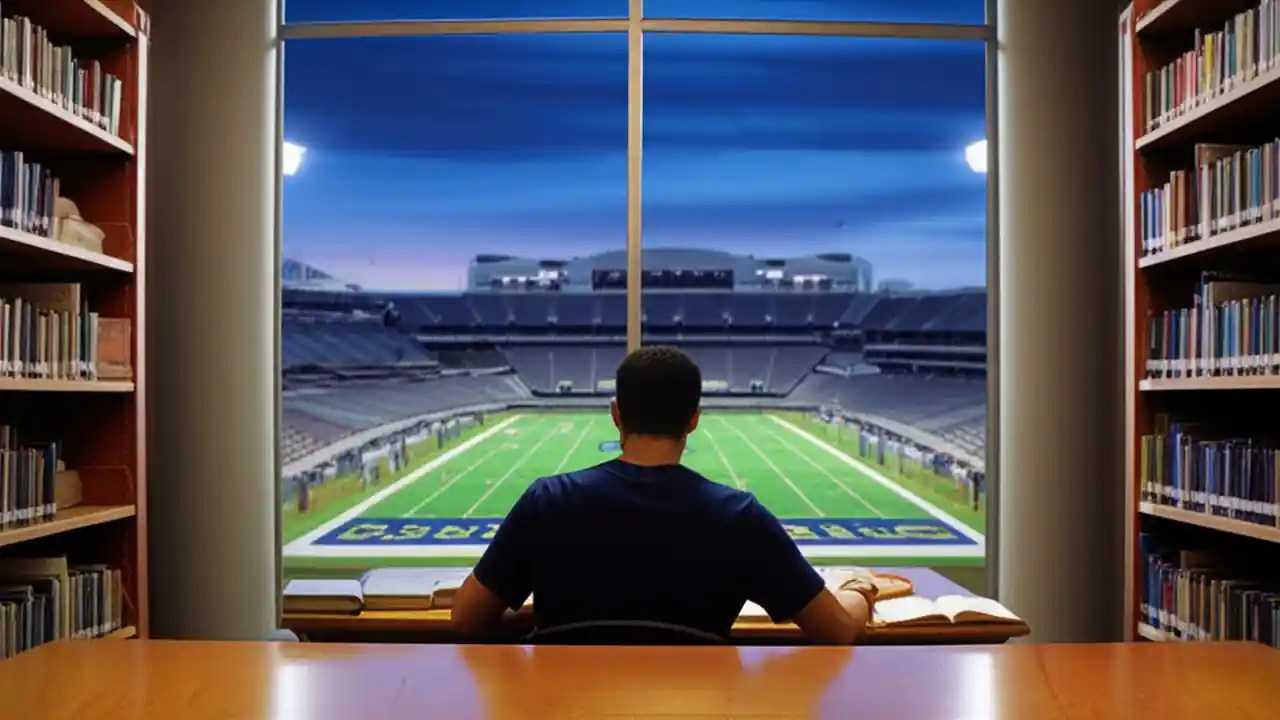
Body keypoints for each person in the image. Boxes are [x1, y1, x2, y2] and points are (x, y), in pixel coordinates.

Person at [451, 345, 875, 643]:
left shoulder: (547, 500)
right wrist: (860, 589)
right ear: (693, 420)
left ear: (616, 414)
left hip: (565, 707)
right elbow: (835, 630)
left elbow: (466, 618)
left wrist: (549, 617)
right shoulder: (740, 516)